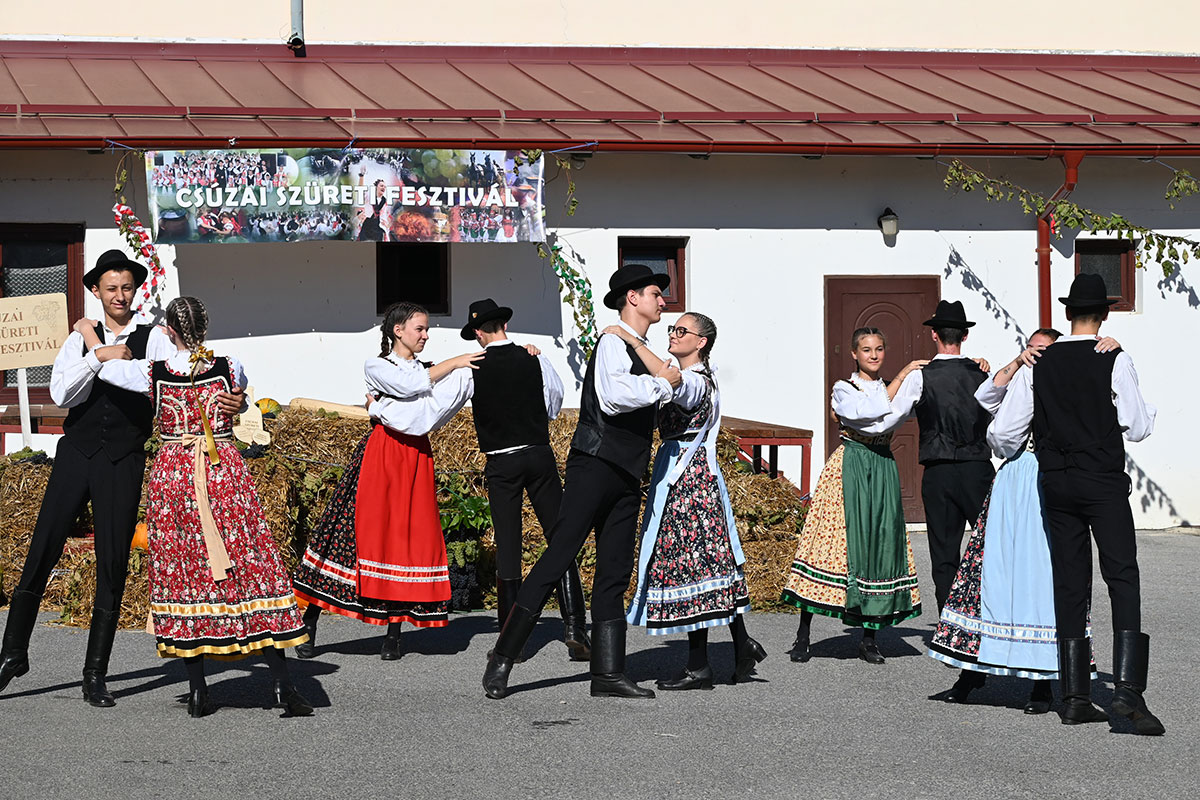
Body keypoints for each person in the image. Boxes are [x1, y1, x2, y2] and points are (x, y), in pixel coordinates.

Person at [0, 251, 240, 707]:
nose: (120, 295)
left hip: (123, 458)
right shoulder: (80, 340)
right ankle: (13, 653)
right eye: (111, 288)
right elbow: (61, 394)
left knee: (112, 562)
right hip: (77, 453)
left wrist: (236, 397)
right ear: (96, 291)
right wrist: (98, 354)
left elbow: (186, 377)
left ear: (135, 290)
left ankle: (95, 673)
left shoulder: (155, 338)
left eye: (126, 287)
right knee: (42, 547)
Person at [91, 296, 311, 718]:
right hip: (221, 468)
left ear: (168, 331)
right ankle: (283, 683)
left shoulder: (151, 372)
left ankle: (197, 690)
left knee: (185, 571)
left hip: (175, 473)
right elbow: (242, 395)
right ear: (205, 327)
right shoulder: (231, 366)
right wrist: (239, 402)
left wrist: (89, 334)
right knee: (250, 563)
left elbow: (105, 368)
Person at [482, 264, 682, 700]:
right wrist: (662, 386)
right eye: (655, 293)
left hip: (627, 469)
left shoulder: (637, 347)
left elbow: (664, 386)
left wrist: (662, 380)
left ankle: (607, 673)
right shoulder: (611, 343)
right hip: (594, 464)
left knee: (615, 570)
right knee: (558, 556)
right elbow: (615, 398)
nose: (662, 300)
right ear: (633, 298)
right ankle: (502, 658)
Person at [987, 273, 1163, 735]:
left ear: (1067, 314)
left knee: (1069, 581)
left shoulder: (1038, 363)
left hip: (1057, 481)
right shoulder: (1114, 357)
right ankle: (1127, 688)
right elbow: (1138, 426)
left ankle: (1074, 697)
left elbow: (1003, 434)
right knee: (1121, 574)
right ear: (1104, 314)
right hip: (1101, 478)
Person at [927, 328, 1117, 711]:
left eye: (1043, 350)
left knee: (1040, 575)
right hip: (1015, 480)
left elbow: (1002, 436)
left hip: (1038, 474)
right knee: (993, 571)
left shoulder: (1052, 378)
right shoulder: (1026, 373)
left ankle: (1041, 681)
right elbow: (986, 397)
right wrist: (1016, 363)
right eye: (1031, 349)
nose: (1036, 355)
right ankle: (975, 668)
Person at [292, 302, 480, 660]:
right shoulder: (378, 366)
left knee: (404, 538)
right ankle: (310, 620)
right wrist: (456, 361)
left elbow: (427, 413)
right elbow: (410, 387)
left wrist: (519, 351)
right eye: (419, 329)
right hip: (381, 454)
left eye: (426, 329)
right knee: (347, 534)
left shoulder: (428, 371)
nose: (425, 335)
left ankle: (394, 633)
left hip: (415, 456)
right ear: (398, 330)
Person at [611, 312, 766, 690]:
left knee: (693, 566)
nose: (674, 334)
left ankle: (701, 667)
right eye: (673, 329)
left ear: (701, 342)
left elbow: (673, 381)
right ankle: (741, 644)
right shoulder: (692, 375)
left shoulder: (695, 380)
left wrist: (632, 341)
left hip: (690, 480)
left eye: (683, 331)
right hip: (683, 472)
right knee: (708, 564)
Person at [782, 327, 924, 664]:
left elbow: (899, 412)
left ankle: (869, 639)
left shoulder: (891, 389)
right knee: (829, 546)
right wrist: (903, 375)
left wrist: (973, 364)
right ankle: (803, 635)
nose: (873, 355)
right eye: (866, 349)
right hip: (851, 465)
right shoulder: (844, 388)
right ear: (854, 354)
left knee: (878, 546)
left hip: (882, 465)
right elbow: (868, 416)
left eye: (879, 349)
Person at [458, 298, 589, 662]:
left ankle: (511, 641)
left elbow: (442, 408)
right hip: (538, 454)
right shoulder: (535, 357)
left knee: (509, 545)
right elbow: (554, 403)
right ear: (504, 325)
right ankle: (575, 626)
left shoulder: (472, 367)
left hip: (502, 461)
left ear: (479, 332)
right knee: (560, 537)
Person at [888, 300, 993, 693]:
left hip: (940, 471)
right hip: (979, 468)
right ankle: (993, 625)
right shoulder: (984, 375)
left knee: (945, 555)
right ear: (964, 335)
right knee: (991, 552)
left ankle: (956, 633)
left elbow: (890, 414)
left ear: (934, 334)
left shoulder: (921, 376)